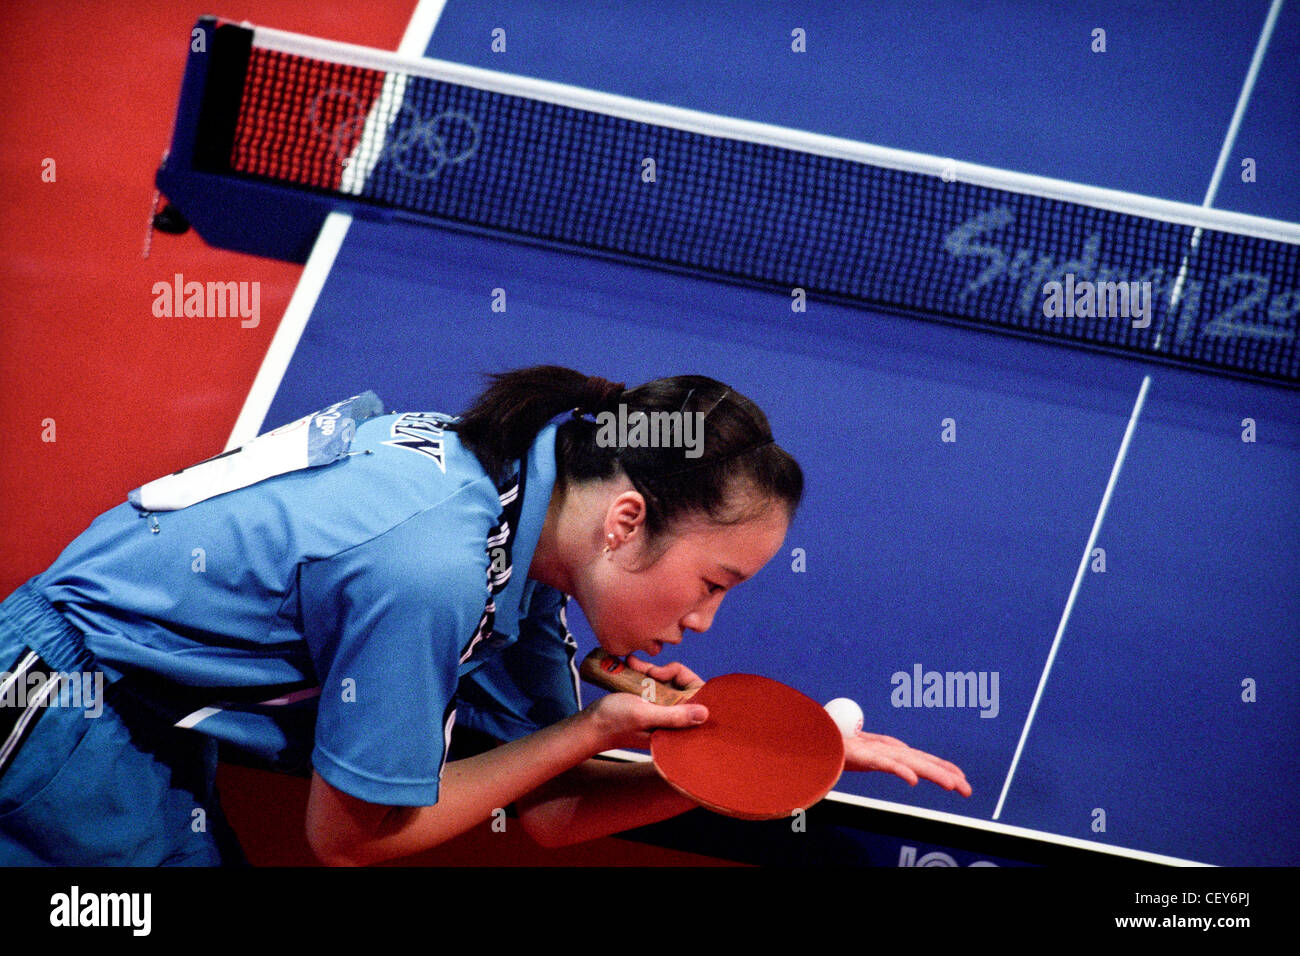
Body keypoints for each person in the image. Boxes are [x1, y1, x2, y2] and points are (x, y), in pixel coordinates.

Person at [0, 365, 968, 866]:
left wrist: (724, 761)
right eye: (715, 580)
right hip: (52, 723)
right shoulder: (434, 568)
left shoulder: (523, 509)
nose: (708, 620)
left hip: (123, 719)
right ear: (627, 518)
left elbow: (546, 809)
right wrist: (594, 725)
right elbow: (353, 840)